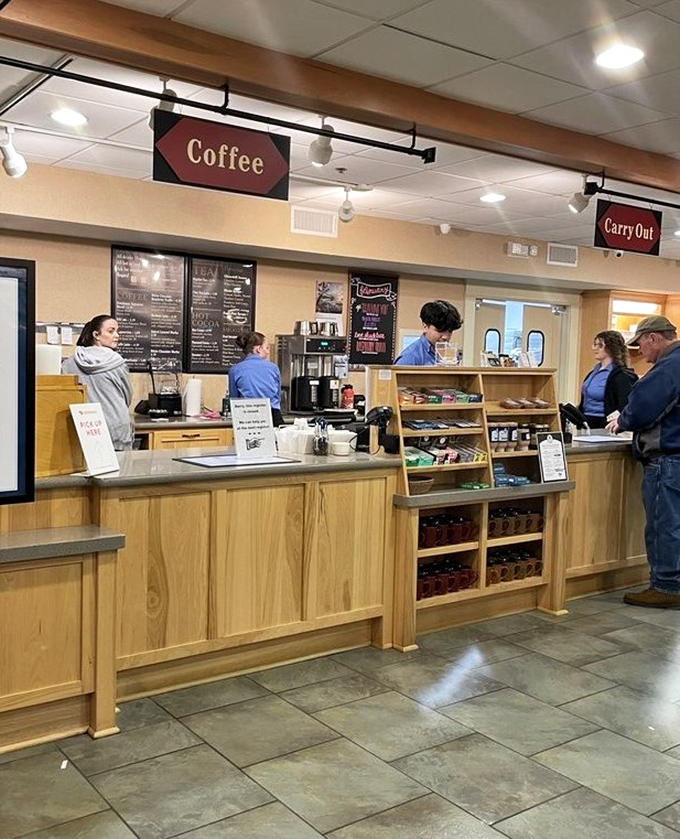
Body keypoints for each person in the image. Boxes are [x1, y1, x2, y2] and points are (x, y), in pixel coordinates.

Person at [606, 315, 680, 608]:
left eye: (641, 345)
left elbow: (642, 409)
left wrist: (623, 419)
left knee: (665, 524)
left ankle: (666, 587)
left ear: (653, 338)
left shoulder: (669, 367)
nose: (640, 353)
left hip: (668, 458)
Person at [62, 314, 134, 450]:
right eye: (111, 331)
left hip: (86, 429)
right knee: (121, 469)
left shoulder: (69, 363)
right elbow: (127, 396)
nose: (117, 335)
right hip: (116, 427)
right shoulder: (117, 362)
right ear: (96, 335)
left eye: (117, 331)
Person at [579, 330, 637, 428]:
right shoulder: (594, 371)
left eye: (600, 345)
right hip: (586, 421)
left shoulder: (621, 375)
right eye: (594, 344)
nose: (595, 348)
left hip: (605, 423)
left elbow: (625, 404)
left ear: (611, 348)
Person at [228, 331, 284, 426]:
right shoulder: (273, 368)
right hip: (272, 415)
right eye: (266, 348)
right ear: (258, 349)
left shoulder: (235, 370)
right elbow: (277, 395)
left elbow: (234, 400)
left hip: (247, 416)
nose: (268, 352)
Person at [394, 299, 462, 365]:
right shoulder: (410, 357)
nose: (446, 337)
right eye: (440, 330)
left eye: (450, 331)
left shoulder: (452, 355)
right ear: (425, 327)